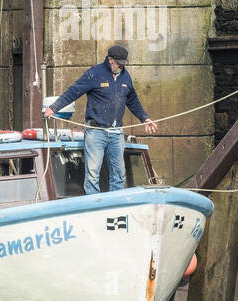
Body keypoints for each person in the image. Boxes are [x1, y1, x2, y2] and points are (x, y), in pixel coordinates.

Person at [43, 44, 159, 194]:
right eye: (119, 64)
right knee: (92, 174)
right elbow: (74, 91)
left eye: (124, 64)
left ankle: (116, 205)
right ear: (110, 60)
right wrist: (54, 107)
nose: (121, 67)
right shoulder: (94, 73)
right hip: (95, 131)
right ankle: (95, 205)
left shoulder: (125, 76)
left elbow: (132, 100)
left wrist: (145, 118)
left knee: (119, 174)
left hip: (116, 132)